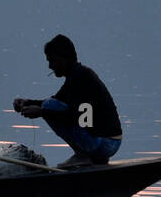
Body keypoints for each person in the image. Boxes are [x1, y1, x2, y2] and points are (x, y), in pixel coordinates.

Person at [13, 34, 122, 168]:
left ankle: (84, 154)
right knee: (50, 104)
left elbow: (77, 117)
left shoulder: (81, 77)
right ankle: (91, 156)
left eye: (52, 61)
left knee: (49, 105)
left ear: (64, 58)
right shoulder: (75, 76)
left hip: (105, 143)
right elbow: (56, 102)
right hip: (105, 143)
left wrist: (42, 112)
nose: (50, 66)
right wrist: (27, 102)